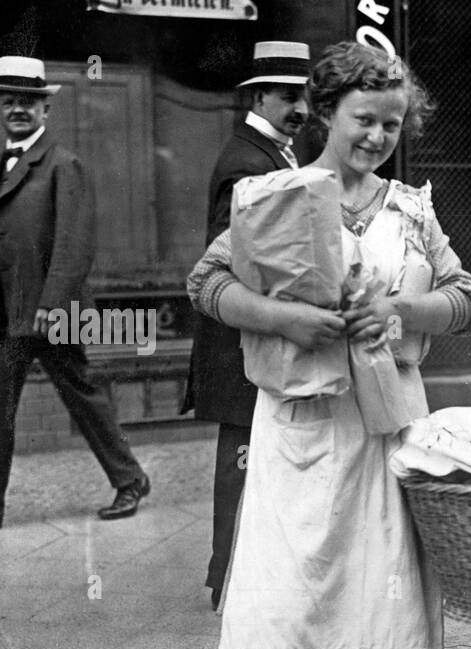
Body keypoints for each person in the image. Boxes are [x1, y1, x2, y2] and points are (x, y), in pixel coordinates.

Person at [185, 41, 471, 649]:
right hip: (296, 432)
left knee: (368, 594)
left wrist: (403, 309)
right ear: (325, 113)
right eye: (364, 120)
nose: (379, 136)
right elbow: (206, 284)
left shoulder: (411, 209)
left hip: (382, 430)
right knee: (279, 597)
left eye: (393, 123)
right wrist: (282, 319)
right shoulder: (272, 196)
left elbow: (468, 297)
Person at [0, 57, 149, 536]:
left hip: (50, 312)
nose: (17, 109)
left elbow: (74, 245)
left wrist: (52, 308)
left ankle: (130, 479)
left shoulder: (63, 164)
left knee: (82, 396)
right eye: (8, 101)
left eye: (27, 101)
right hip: (4, 313)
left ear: (44, 109)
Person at [182, 41, 312, 611]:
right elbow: (231, 260)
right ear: (258, 96)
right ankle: (226, 575)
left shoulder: (274, 154)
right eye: (289, 97)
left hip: (255, 335)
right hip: (239, 340)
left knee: (255, 455)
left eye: (305, 96)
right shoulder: (246, 163)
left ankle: (240, 572)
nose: (301, 108)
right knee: (239, 456)